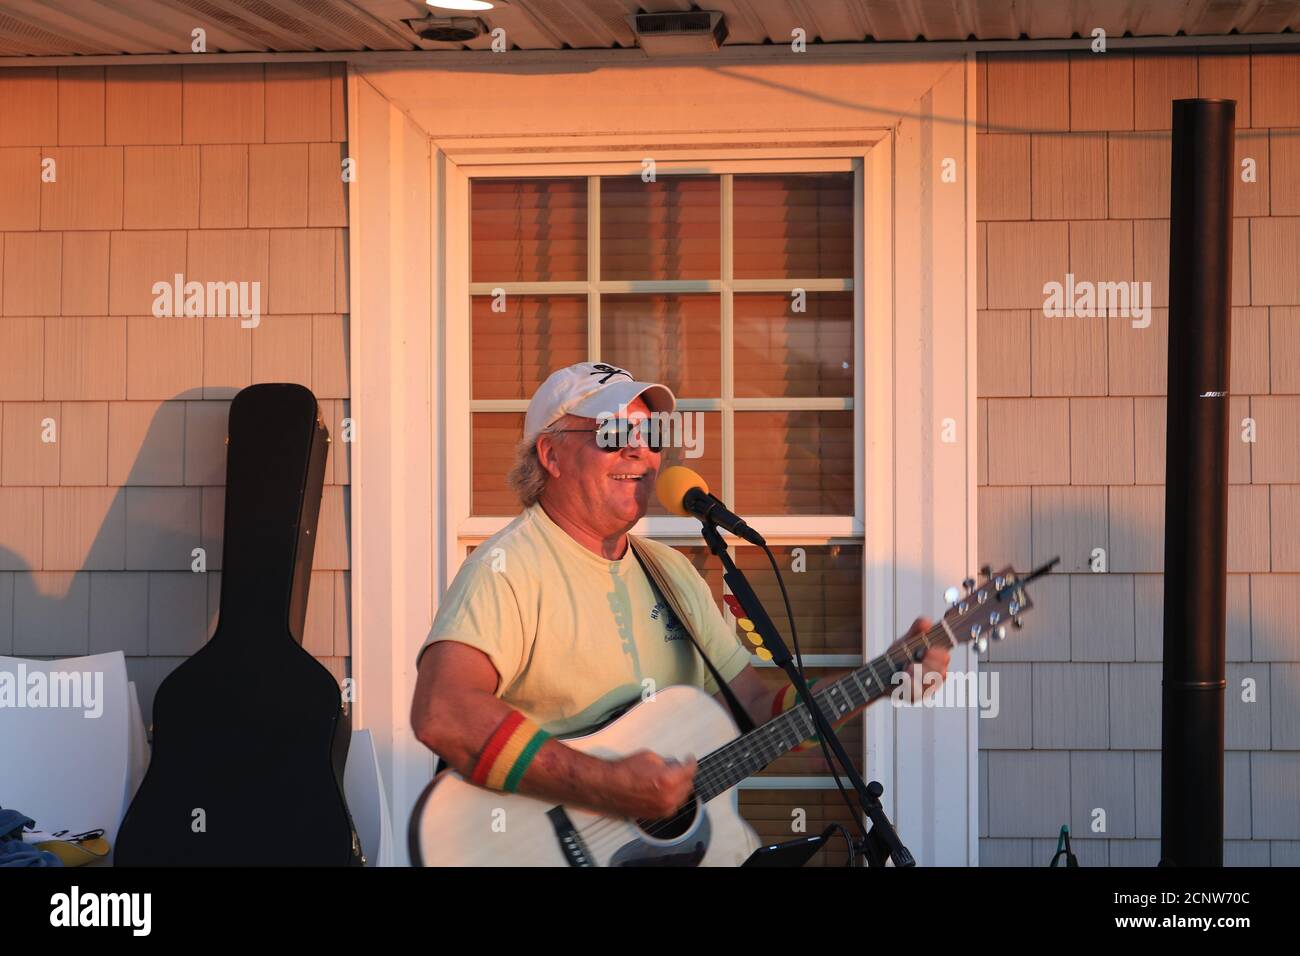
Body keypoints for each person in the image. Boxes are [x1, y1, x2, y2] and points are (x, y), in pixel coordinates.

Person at [410, 362, 949, 821]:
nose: (640, 454)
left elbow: (758, 713)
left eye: (651, 437)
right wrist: (603, 783)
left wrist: (881, 676)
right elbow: (442, 712)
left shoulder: (670, 573)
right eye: (614, 435)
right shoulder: (508, 567)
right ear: (550, 455)